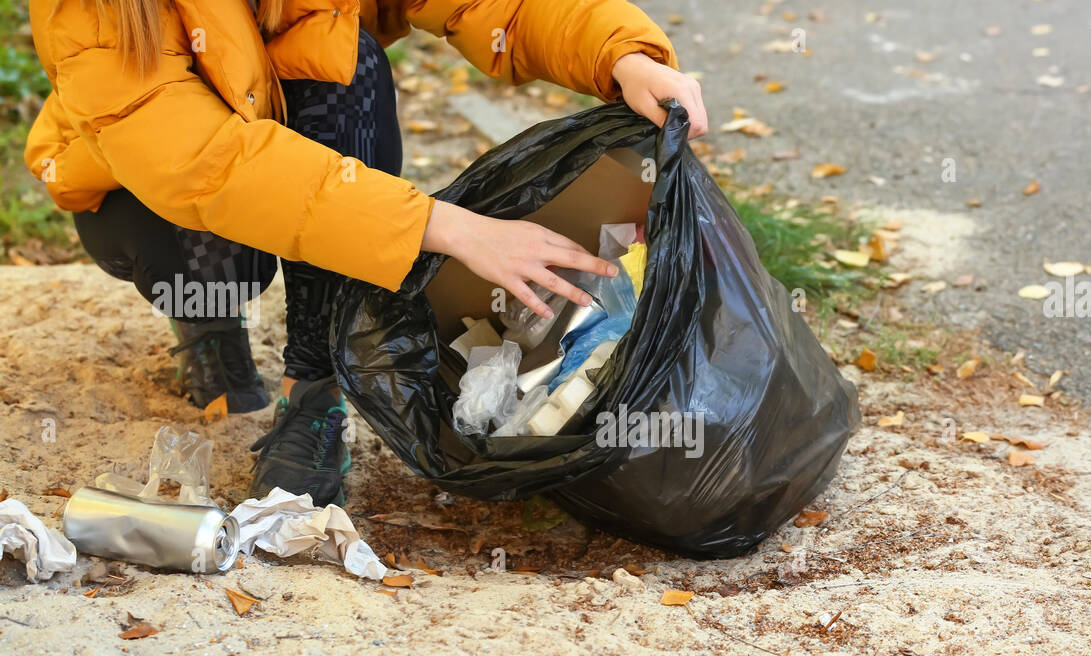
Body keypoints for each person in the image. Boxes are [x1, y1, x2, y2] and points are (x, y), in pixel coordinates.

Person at [24, 0, 708, 505]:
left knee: (349, 68)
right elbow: (203, 167)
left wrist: (622, 54)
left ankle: (314, 389)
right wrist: (446, 228)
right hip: (143, 184)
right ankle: (208, 317)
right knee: (209, 265)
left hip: (284, 123)